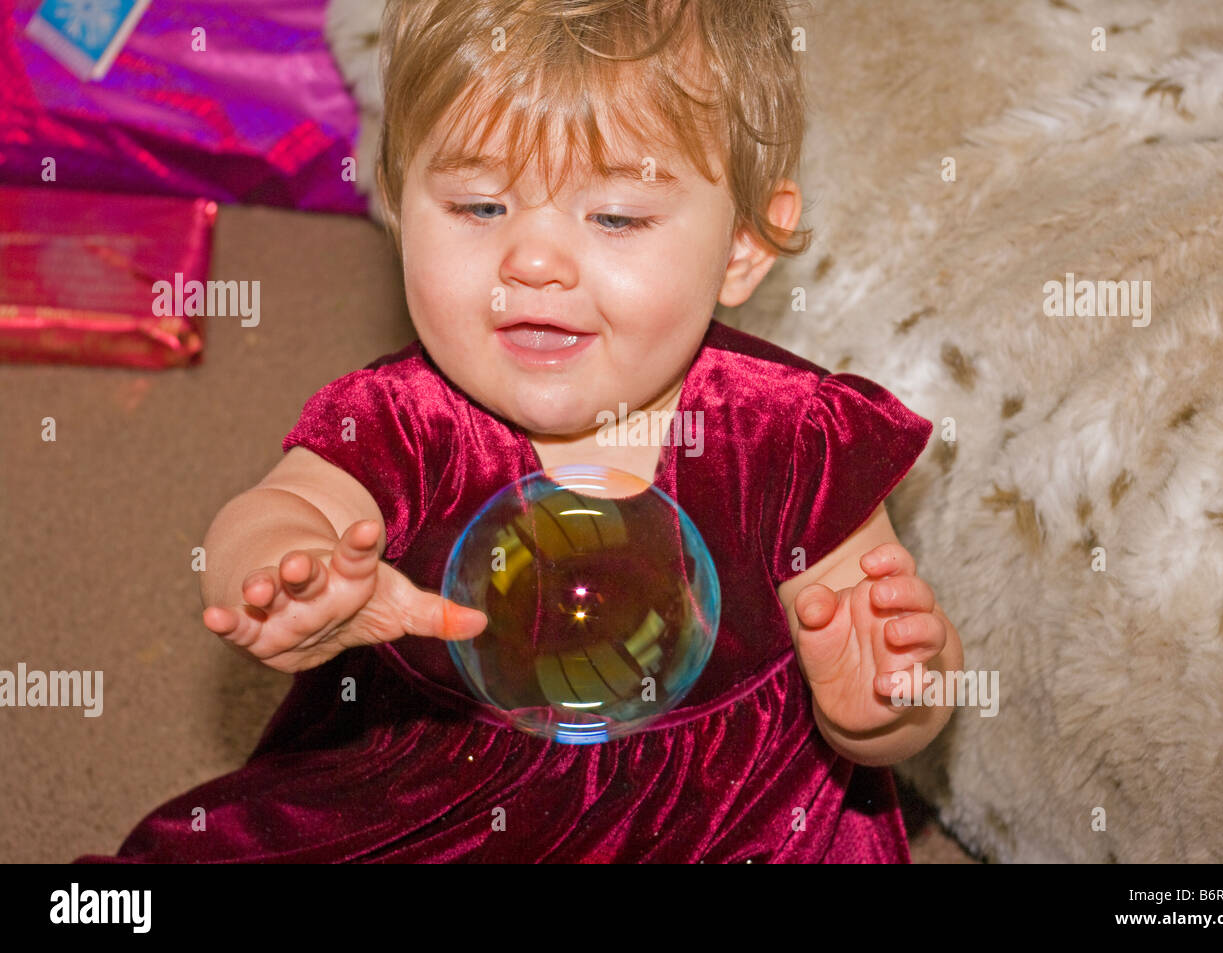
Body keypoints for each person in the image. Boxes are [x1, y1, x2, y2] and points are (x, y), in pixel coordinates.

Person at [74, 0, 962, 863]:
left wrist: (884, 703)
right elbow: (281, 508)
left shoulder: (791, 435)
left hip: (731, 817)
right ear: (396, 201)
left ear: (739, 246)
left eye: (615, 217)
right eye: (480, 208)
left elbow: (889, 695)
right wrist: (281, 571)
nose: (533, 262)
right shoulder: (404, 422)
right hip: (442, 787)